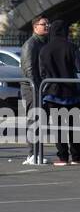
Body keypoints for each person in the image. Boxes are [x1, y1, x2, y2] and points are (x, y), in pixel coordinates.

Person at [38, 19, 80, 166]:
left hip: (52, 93)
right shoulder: (72, 47)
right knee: (74, 126)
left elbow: (42, 73)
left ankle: (62, 157)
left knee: (58, 127)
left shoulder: (44, 49)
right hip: (71, 92)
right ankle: (77, 156)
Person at [19, 14, 50, 165]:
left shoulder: (43, 42)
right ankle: (32, 154)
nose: (47, 26)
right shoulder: (30, 44)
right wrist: (37, 88)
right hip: (32, 88)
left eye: (47, 24)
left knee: (40, 120)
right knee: (34, 120)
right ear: (35, 27)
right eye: (44, 24)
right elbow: (29, 69)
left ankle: (38, 152)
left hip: (41, 87)